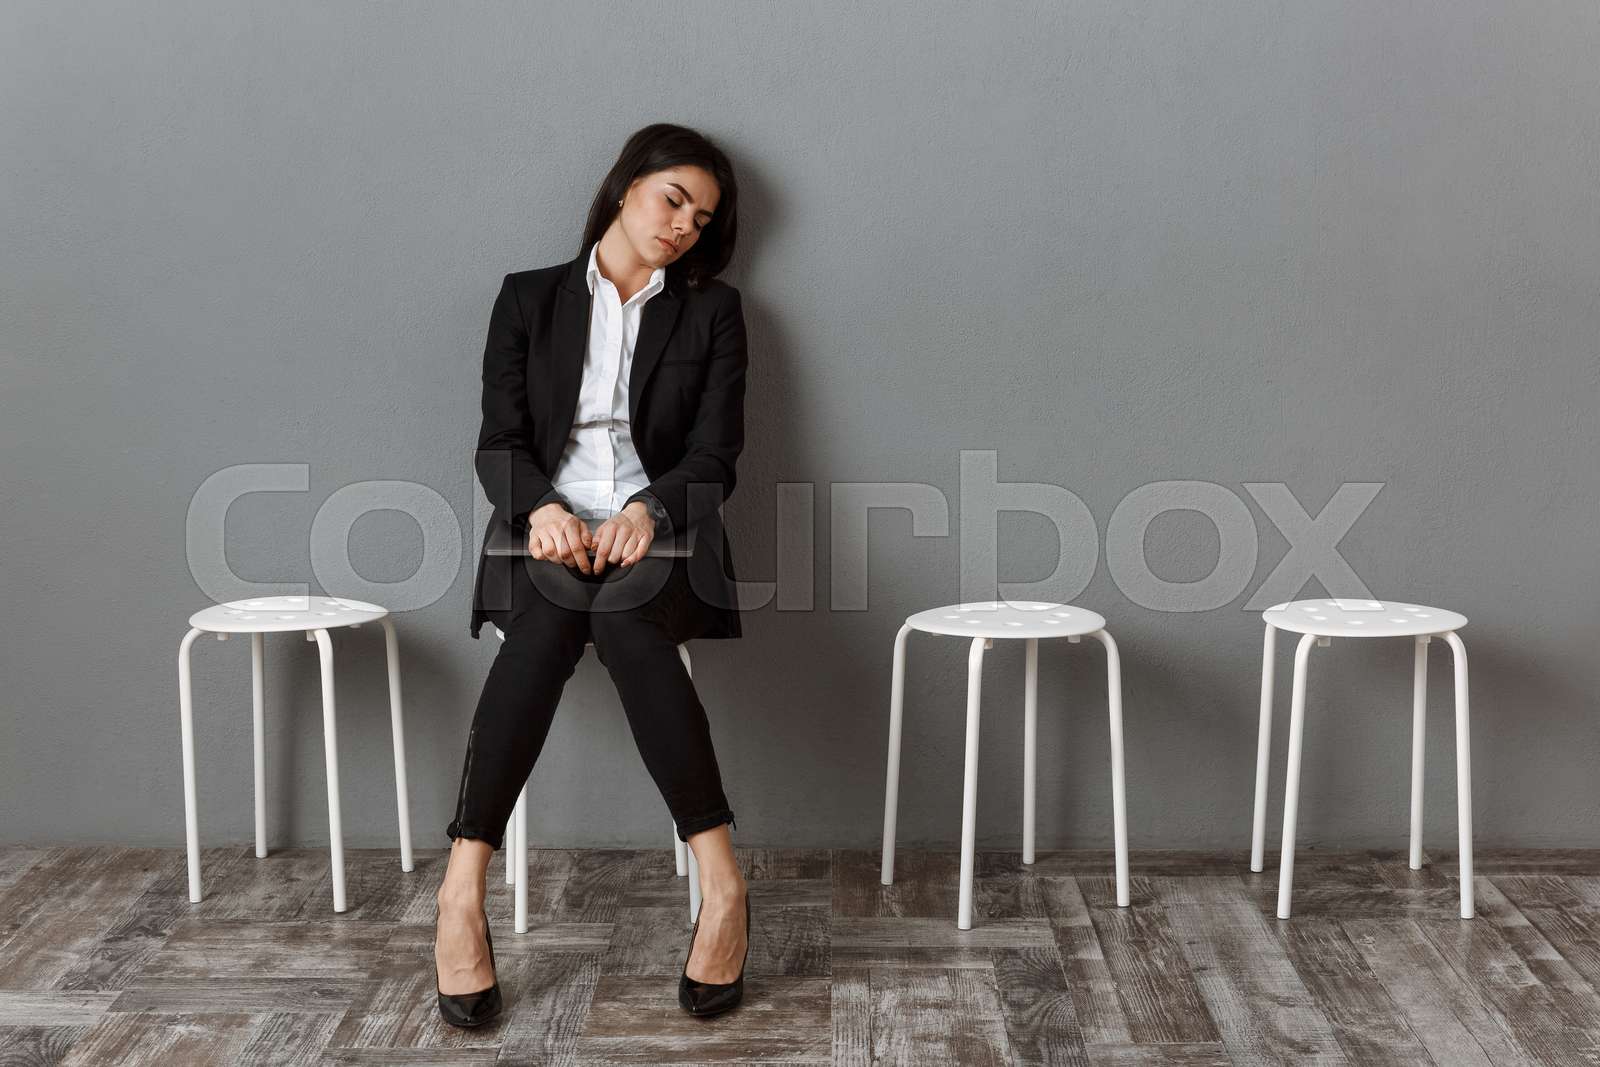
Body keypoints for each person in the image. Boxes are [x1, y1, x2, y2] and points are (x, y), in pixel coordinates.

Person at [433, 123, 751, 1027]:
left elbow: (715, 457)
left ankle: (724, 887)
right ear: (624, 187)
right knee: (543, 626)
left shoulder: (714, 312)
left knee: (622, 618)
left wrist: (646, 512)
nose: (684, 225)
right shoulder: (528, 298)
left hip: (665, 533)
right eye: (673, 199)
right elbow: (498, 443)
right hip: (544, 529)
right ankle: (461, 892)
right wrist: (542, 509)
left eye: (702, 218)